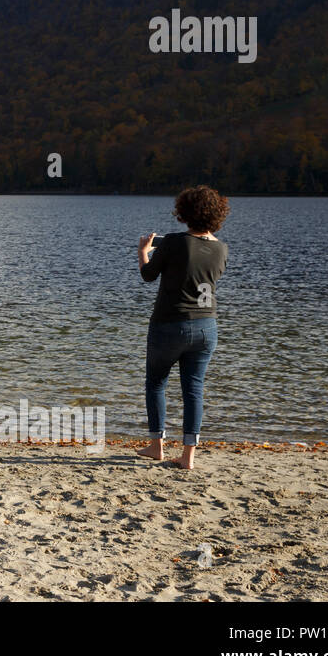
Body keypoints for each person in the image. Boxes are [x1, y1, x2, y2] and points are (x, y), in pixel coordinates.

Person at [136, 186, 230, 470]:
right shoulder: (221, 248)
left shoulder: (175, 243)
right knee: (194, 389)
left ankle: (156, 447)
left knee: (156, 382)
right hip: (206, 327)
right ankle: (188, 457)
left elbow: (148, 275)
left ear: (184, 212)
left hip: (170, 325)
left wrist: (144, 251)